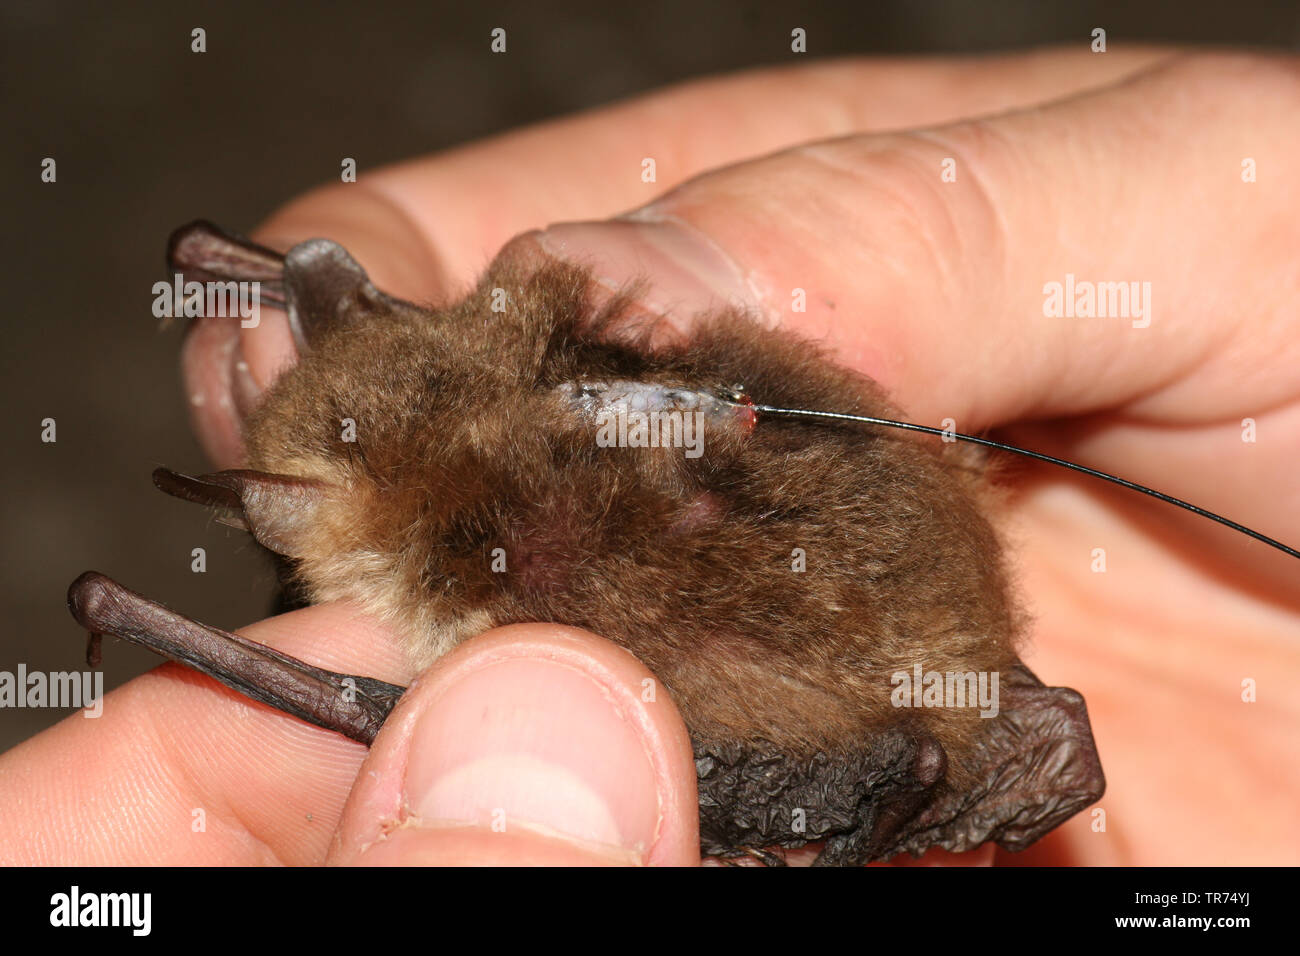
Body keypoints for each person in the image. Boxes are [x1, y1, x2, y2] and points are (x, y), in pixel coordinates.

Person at [3, 47, 1297, 865]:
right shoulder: (521, 354)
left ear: (313, 517)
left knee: (430, 707)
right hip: (895, 652)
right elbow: (484, 374)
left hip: (875, 713)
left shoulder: (493, 582)